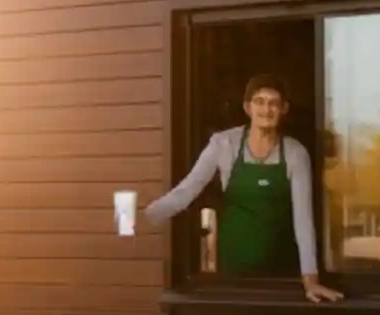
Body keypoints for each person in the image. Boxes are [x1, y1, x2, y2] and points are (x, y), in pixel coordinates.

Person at [144, 74, 343, 302]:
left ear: (284, 109)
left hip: (280, 275)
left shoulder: (296, 154)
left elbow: (303, 220)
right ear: (247, 108)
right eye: (259, 102)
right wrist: (145, 218)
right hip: (232, 273)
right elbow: (186, 192)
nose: (266, 110)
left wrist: (311, 280)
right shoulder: (223, 144)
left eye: (273, 103)